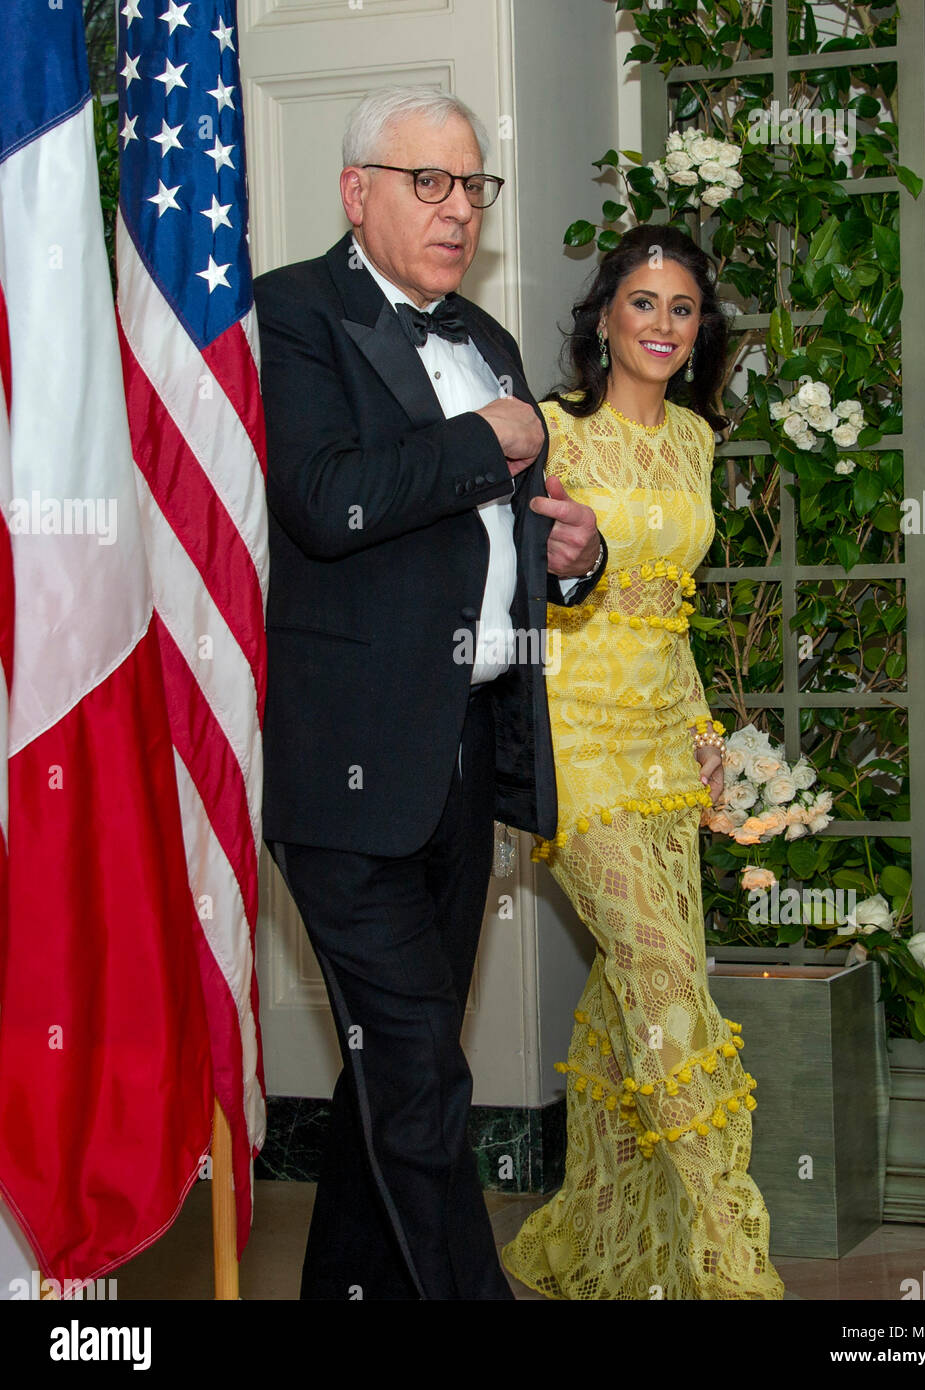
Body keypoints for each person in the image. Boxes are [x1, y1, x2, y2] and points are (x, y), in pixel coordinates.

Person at [252, 87, 605, 1301]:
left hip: (462, 755)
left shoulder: (488, 341)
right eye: (430, 183)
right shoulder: (290, 313)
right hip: (345, 766)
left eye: (474, 188)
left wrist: (571, 559)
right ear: (359, 193)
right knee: (420, 1072)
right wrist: (490, 442)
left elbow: (484, 545)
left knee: (393, 1068)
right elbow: (322, 497)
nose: (459, 211)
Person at [501, 225, 784, 1300]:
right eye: (642, 304)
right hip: (575, 748)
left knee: (636, 1001)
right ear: (603, 317)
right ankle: (731, 1266)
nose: (663, 326)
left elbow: (674, 611)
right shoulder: (552, 433)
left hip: (666, 745)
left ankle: (607, 1246)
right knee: (670, 991)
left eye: (682, 309)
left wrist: (706, 735)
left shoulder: (698, 441)